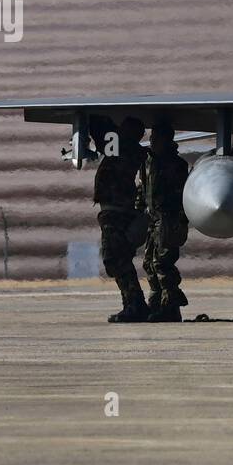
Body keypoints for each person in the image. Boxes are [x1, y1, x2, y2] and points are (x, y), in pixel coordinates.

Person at [92, 116, 148, 323]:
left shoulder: (123, 149)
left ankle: (134, 305)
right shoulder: (130, 150)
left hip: (117, 214)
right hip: (115, 212)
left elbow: (101, 136)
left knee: (116, 259)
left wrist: (97, 114)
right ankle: (134, 304)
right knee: (117, 259)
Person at [141, 120, 190, 322]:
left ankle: (170, 305)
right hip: (153, 220)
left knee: (162, 263)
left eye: (156, 138)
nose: (152, 141)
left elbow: (180, 196)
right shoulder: (148, 162)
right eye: (152, 138)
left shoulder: (176, 165)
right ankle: (156, 302)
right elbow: (143, 189)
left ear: (166, 139)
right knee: (149, 263)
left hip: (169, 220)